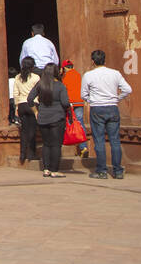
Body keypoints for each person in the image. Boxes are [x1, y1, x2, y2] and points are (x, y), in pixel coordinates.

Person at [82, 49, 132, 179]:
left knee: (99, 140)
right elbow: (128, 89)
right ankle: (118, 171)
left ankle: (102, 171)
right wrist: (117, 98)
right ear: (105, 60)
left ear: (92, 61)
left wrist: (92, 100)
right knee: (115, 140)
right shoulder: (115, 73)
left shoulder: (88, 75)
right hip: (112, 107)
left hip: (97, 108)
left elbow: (83, 95)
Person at [27, 63, 70, 177]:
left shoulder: (40, 84)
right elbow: (65, 103)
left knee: (46, 144)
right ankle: (54, 170)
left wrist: (36, 112)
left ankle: (46, 169)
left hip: (43, 117)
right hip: (57, 117)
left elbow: (30, 99)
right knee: (56, 145)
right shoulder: (60, 86)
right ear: (56, 72)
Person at [13, 56, 40, 165]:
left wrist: (16, 106)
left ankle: (22, 153)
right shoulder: (35, 77)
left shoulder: (18, 77)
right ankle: (31, 154)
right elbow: (38, 92)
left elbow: (15, 93)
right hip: (32, 104)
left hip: (22, 104)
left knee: (24, 130)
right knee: (32, 130)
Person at [59, 59, 88, 158]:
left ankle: (74, 145)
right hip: (80, 102)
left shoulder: (65, 77)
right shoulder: (78, 74)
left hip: (70, 103)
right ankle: (83, 147)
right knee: (80, 123)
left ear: (63, 68)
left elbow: (63, 89)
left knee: (69, 124)